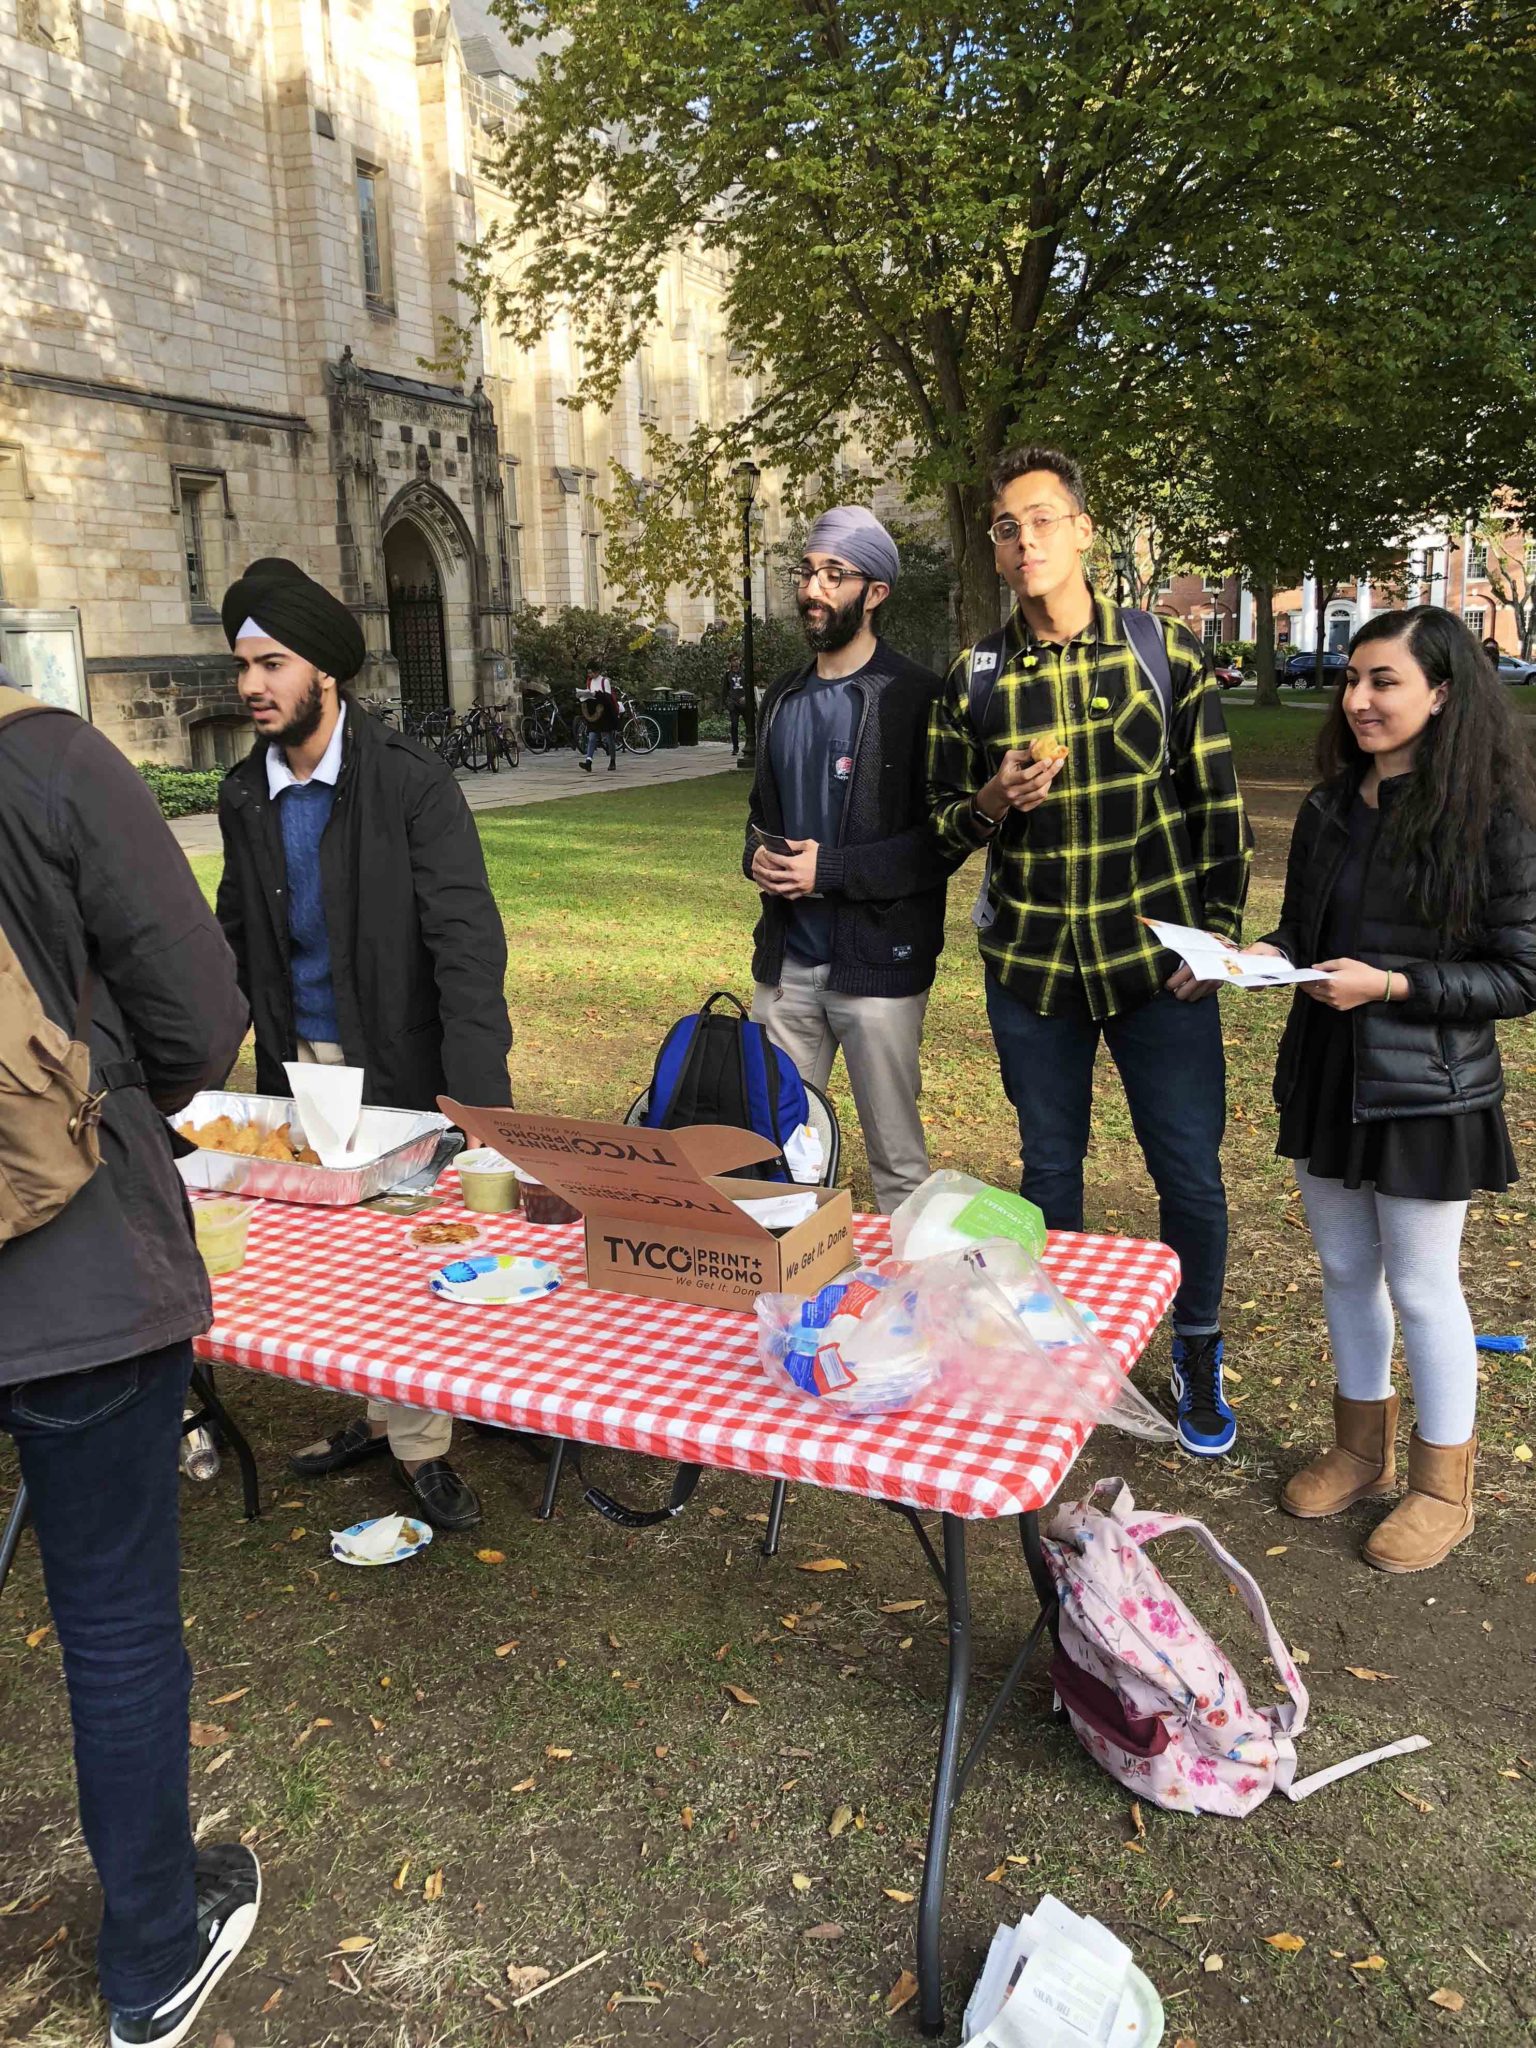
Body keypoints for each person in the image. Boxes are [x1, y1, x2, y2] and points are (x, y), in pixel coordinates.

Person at [0, 685, 257, 2046]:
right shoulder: (46, 761)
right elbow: (200, 1013)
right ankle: (154, 1951)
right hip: (72, 1272)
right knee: (111, 1623)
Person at [927, 446, 1252, 1455]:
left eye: (1041, 520)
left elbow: (1219, 813)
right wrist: (991, 801)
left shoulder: (1163, 655)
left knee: (1188, 1174)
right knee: (1049, 1174)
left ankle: (1195, 1347)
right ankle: (1061, 1357)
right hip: (1031, 972)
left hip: (1155, 971)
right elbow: (936, 831)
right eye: (1005, 528)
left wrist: (1221, 942)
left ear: (1083, 529)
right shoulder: (976, 679)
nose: (1024, 542)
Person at [215, 557, 512, 1531]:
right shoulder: (242, 794)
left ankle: (421, 1445)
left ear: (326, 673)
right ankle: (378, 1416)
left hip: (401, 1065)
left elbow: (468, 951)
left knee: (409, 1259)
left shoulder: (412, 784)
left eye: (273, 662)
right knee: (338, 1261)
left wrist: (479, 1106)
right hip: (297, 1069)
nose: (254, 685)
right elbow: (231, 940)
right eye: (244, 665)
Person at [1246, 606, 1536, 1571]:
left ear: (1441, 693)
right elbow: (1301, 933)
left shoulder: (1493, 817)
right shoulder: (1334, 803)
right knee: (1341, 1270)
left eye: (1385, 682)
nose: (1359, 699)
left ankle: (1440, 1488)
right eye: (1353, 679)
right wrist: (1258, 956)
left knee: (1420, 1285)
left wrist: (1393, 986)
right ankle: (1360, 1451)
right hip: (1327, 1070)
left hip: (1429, 1087)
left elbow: (1520, 974)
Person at [745, 506, 958, 1213]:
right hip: (786, 972)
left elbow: (941, 843)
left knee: (898, 1170)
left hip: (878, 973)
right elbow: (761, 816)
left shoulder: (915, 697)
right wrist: (758, 856)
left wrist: (827, 871)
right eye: (807, 571)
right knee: (777, 1163)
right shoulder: (781, 697)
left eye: (835, 574)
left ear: (876, 592)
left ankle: (913, 1318)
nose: (813, 589)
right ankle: (792, 1316)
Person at [577, 668, 620, 771]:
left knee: (609, 738)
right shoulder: (589, 682)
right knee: (592, 736)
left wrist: (597, 694)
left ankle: (612, 761)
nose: (590, 674)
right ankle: (588, 762)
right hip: (595, 712)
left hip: (605, 713)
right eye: (588, 672)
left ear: (597, 672)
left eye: (591, 672)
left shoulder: (604, 681)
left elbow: (608, 698)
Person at [724, 665, 746, 756]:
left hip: (744, 703)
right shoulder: (728, 674)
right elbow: (724, 689)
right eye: (733, 660)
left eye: (737, 659)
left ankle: (751, 745)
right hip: (733, 703)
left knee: (749, 725)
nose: (736, 661)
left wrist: (746, 697)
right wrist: (727, 702)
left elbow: (749, 685)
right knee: (734, 725)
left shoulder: (744, 672)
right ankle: (735, 747)